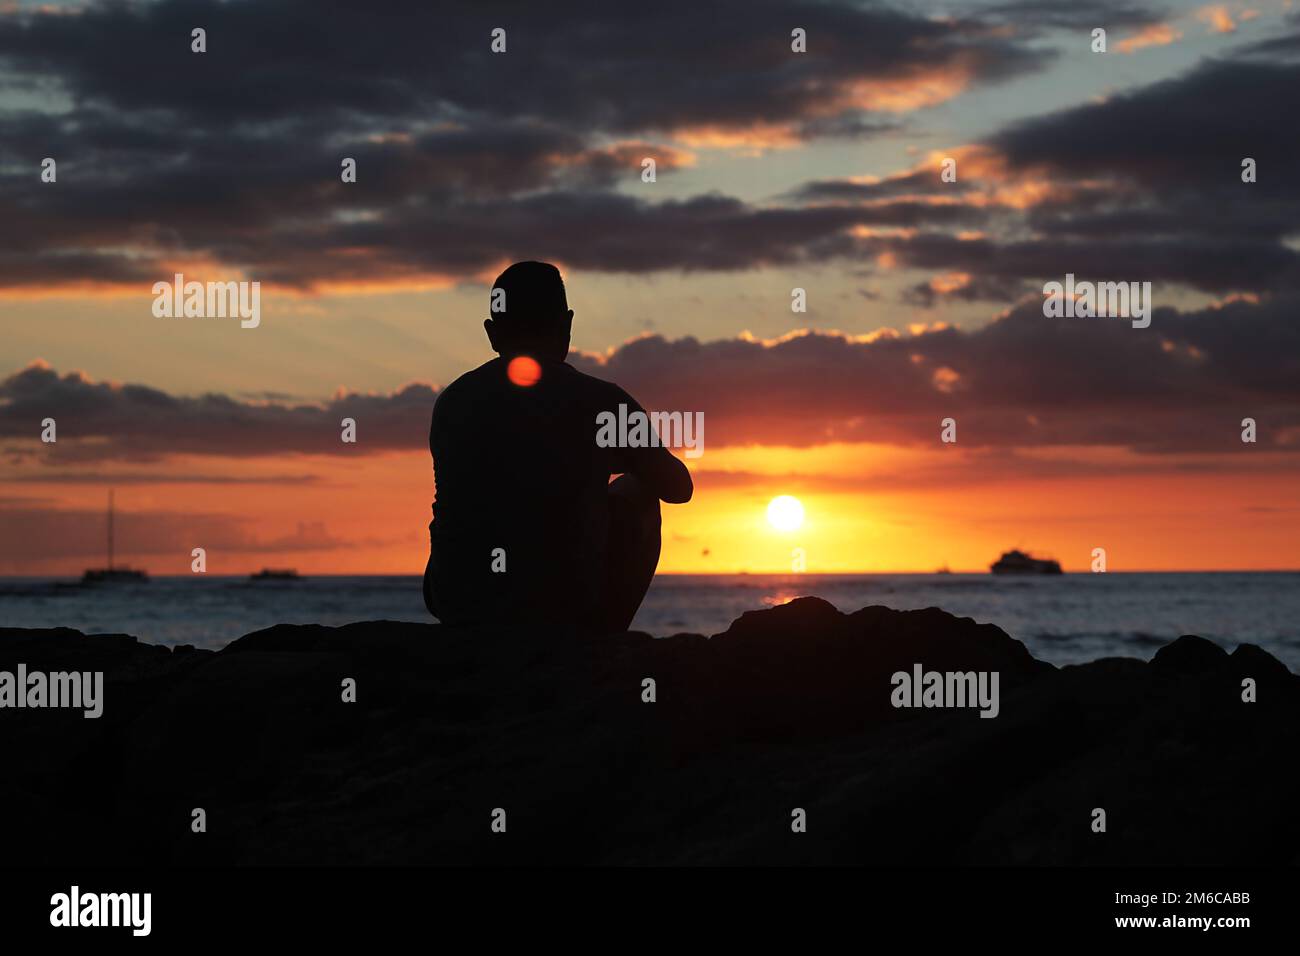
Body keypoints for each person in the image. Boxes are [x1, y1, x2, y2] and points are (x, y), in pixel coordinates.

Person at [423, 261, 692, 635]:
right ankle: (602, 639)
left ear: (492, 333)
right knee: (639, 490)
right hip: (565, 606)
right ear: (566, 326)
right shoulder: (603, 402)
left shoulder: (453, 401)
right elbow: (678, 488)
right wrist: (622, 457)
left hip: (457, 600)